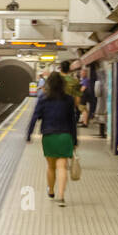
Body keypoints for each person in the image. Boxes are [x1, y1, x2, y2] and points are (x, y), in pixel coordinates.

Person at [26, 71, 79, 206]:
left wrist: (29, 134)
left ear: (48, 84)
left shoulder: (43, 99)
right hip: (65, 136)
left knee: (51, 167)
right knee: (62, 166)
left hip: (49, 136)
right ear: (62, 84)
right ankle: (61, 196)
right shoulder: (68, 99)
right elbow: (72, 121)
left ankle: (51, 190)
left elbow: (34, 117)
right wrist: (75, 139)